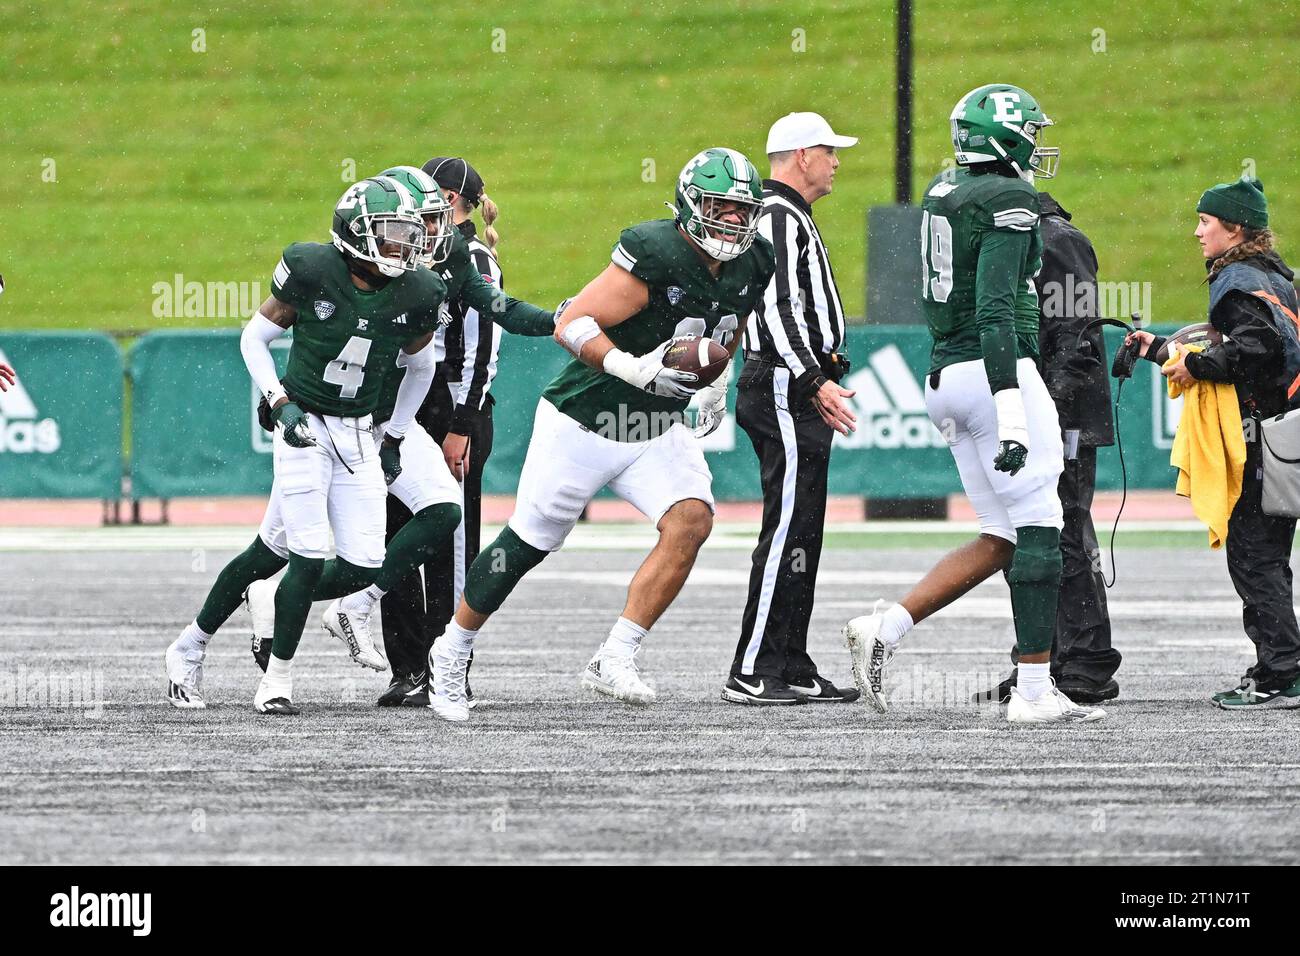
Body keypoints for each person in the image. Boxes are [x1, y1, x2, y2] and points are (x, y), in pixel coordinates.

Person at [426, 148, 775, 722]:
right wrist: (632, 367)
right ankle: (450, 649)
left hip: (653, 425)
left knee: (692, 519)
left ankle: (616, 654)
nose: (733, 222)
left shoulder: (754, 261)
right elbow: (573, 322)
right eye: (721, 208)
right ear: (691, 205)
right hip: (585, 417)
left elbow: (725, 329)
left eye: (742, 210)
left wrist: (716, 384)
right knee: (526, 545)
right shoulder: (657, 251)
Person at [842, 84, 1105, 725]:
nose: (1037, 146)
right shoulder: (1011, 198)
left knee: (1003, 537)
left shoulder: (944, 191)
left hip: (944, 374)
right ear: (1006, 138)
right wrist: (1012, 406)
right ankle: (1036, 692)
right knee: (1043, 524)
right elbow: (993, 309)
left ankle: (888, 626)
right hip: (995, 371)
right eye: (1030, 133)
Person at [242, 165, 555, 697]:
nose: (425, 236)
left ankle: (431, 656)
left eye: (431, 222)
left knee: (439, 522)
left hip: (414, 408)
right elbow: (284, 330)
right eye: (418, 222)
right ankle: (401, 662)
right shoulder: (339, 261)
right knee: (337, 542)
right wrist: (282, 396)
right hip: (350, 409)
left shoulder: (451, 256)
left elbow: (493, 316)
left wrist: (564, 321)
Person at [165, 176, 448, 714]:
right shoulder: (313, 268)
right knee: (308, 555)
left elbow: (422, 364)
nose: (404, 247)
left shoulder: (419, 291)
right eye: (390, 234)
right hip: (304, 425)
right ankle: (276, 683)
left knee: (353, 564)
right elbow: (255, 337)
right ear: (356, 234)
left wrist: (393, 436)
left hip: (359, 431)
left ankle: (194, 640)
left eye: (408, 235)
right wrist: (277, 401)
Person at [1127, 176, 1300, 709]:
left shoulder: (1237, 280)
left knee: (1255, 558)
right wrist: (1167, 351)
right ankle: (1278, 662)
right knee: (1268, 555)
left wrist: (1195, 365)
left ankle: (1282, 672)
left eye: (1206, 221)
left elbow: (1257, 347)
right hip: (1282, 430)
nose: (1197, 231)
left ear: (1235, 227)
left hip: (1259, 437)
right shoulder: (1274, 276)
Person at [724, 112, 860, 705]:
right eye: (830, 151)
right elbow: (775, 306)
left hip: (793, 381)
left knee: (803, 528)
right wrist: (812, 379)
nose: (836, 162)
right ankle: (753, 667)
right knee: (785, 530)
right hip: (783, 382)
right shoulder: (778, 215)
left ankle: (789, 660)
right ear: (803, 155)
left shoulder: (787, 215)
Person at [976, 190, 1122, 705]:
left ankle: (1083, 662)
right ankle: (1045, 659)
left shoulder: (1056, 243)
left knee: (1062, 530)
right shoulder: (1039, 238)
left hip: (1065, 417)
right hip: (1050, 410)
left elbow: (1077, 338)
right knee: (1036, 534)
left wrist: (1043, 406)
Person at [376, 157, 508, 708]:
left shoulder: (471, 258)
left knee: (453, 545)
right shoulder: (406, 254)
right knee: (395, 534)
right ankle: (406, 665)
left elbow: (482, 352)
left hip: (453, 407)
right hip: (405, 405)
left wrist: (462, 424)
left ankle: (447, 661)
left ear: (448, 200)